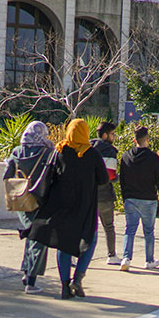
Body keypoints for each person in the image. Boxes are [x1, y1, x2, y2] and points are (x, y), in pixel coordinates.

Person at [27, 119, 108, 299]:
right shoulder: (92, 154)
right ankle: (77, 279)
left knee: (63, 244)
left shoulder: (59, 151)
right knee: (90, 240)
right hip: (85, 206)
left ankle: (64, 287)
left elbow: (48, 177)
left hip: (61, 206)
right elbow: (103, 179)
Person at [4, 121, 53, 294]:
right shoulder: (48, 151)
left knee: (31, 234)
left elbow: (7, 175)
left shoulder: (17, 151)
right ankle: (31, 281)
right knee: (39, 238)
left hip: (21, 201)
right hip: (40, 201)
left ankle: (26, 273)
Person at [118, 126, 159, 272]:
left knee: (130, 229)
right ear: (147, 139)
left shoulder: (126, 156)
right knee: (149, 231)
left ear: (134, 140)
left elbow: (123, 180)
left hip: (131, 198)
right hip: (148, 199)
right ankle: (149, 260)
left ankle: (126, 257)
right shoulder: (153, 158)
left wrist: (125, 197)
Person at [90, 121, 120, 264]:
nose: (114, 137)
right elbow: (110, 176)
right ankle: (112, 255)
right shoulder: (109, 150)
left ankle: (78, 255)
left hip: (88, 194)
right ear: (105, 135)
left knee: (88, 227)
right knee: (108, 226)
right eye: (113, 134)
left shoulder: (87, 148)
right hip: (104, 195)